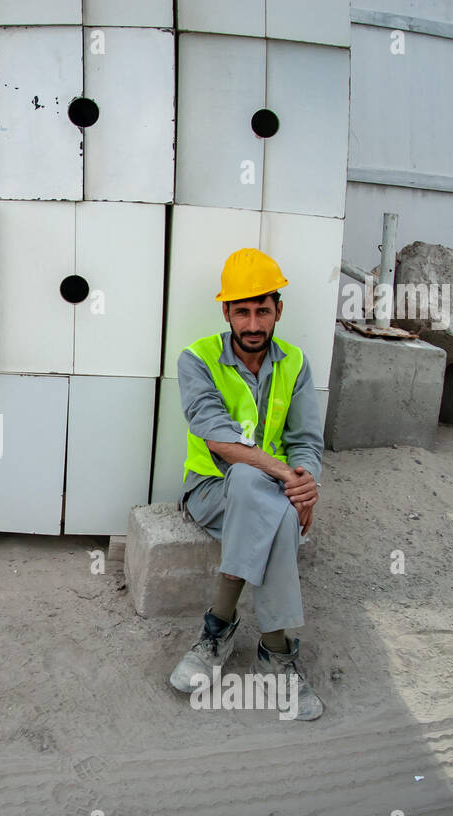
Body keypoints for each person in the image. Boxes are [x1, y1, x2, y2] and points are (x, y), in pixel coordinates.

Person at [168, 249, 325, 720]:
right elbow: (219, 438)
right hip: (210, 491)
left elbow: (304, 441)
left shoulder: (295, 363)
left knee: (265, 502)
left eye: (262, 310)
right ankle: (276, 651)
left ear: (279, 310)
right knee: (245, 481)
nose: (253, 324)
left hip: (270, 493)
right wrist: (284, 477)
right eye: (243, 311)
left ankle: (217, 630)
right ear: (226, 313)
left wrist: (305, 484)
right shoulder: (196, 359)